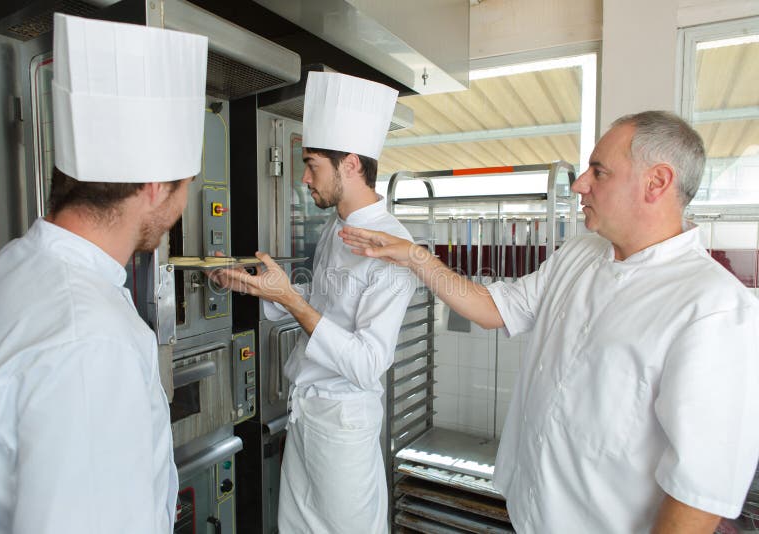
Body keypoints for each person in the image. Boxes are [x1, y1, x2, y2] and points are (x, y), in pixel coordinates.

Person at [340, 110, 759, 533]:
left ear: (656, 182)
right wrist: (413, 255)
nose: (580, 184)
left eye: (599, 171)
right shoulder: (581, 254)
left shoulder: (714, 308)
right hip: (533, 515)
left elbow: (697, 495)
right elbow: (492, 307)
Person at [0, 14, 207, 534]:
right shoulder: (93, 342)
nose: (186, 203)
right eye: (187, 185)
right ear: (155, 186)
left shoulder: (6, 270)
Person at [210, 71, 416, 533]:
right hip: (307, 417)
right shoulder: (335, 228)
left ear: (351, 166)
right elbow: (325, 306)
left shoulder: (394, 247)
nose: (303, 178)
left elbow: (367, 363)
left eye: (312, 164)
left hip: (343, 433)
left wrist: (289, 299)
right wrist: (261, 288)